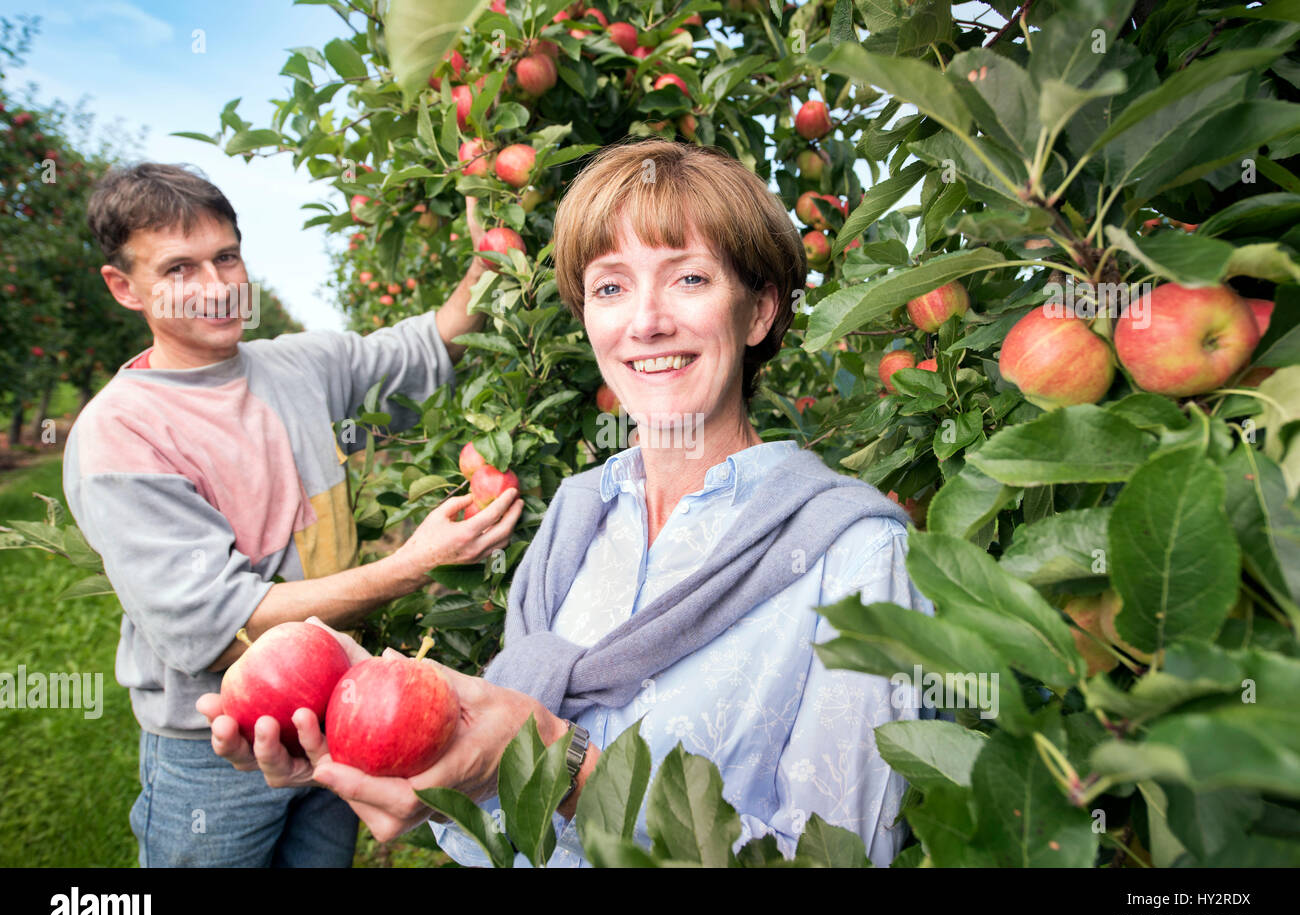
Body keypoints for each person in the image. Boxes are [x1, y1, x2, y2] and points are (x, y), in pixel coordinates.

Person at [200, 138, 934, 867]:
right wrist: (376, 713)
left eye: (689, 279)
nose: (645, 321)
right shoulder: (580, 517)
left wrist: (564, 766)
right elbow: (495, 817)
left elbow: (841, 857)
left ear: (760, 311)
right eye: (611, 287)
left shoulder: (858, 557)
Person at [67, 163, 522, 867]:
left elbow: (436, 341)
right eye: (179, 268)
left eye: (226, 256)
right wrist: (413, 565)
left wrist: (488, 221)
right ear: (123, 287)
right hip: (218, 756)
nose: (217, 288)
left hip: (338, 722)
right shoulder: (121, 434)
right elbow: (224, 629)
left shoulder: (299, 365)